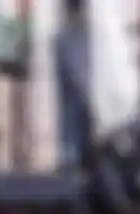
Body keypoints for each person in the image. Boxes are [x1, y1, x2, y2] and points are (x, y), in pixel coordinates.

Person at [53, 0, 92, 171]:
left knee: (74, 99)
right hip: (74, 27)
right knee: (75, 97)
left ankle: (75, 154)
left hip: (75, 27)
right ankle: (74, 154)